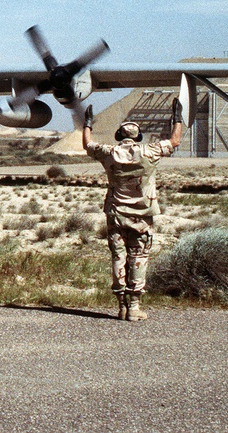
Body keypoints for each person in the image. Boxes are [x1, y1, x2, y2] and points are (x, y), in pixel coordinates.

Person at [82, 98, 183, 321]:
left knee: (118, 256)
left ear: (119, 136)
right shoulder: (149, 152)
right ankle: (134, 307)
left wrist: (87, 123)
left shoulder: (108, 153)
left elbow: (87, 144)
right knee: (139, 257)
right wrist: (177, 118)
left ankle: (121, 306)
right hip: (142, 215)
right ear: (137, 137)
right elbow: (175, 141)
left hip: (116, 213)